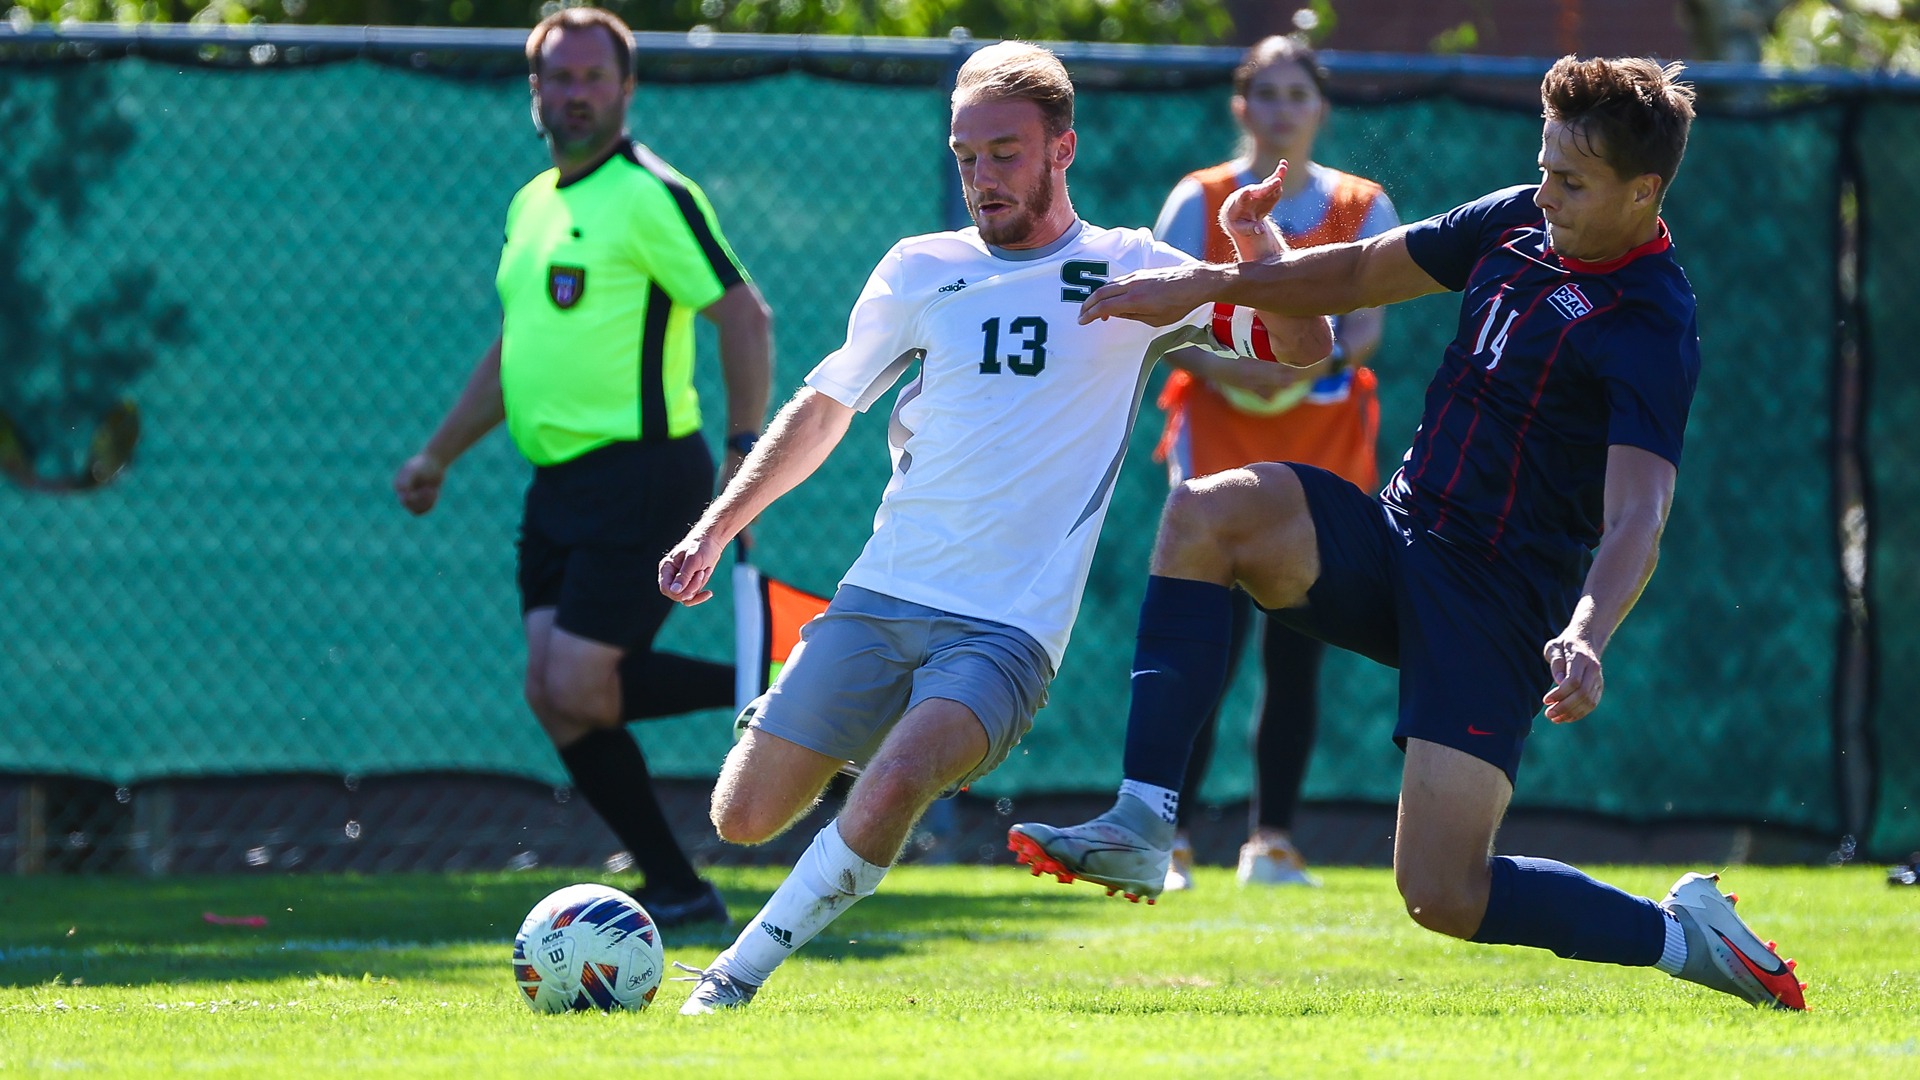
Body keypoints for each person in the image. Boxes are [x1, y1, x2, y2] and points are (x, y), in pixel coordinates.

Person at [1009, 56, 1811, 1010]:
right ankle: (1144, 822)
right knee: (1204, 513)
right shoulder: (1515, 219)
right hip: (1397, 535)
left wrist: (1588, 632)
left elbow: (1640, 511)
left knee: (1441, 893)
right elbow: (1355, 272)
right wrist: (1206, 283)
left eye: (1571, 180)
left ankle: (1685, 937)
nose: (1545, 192)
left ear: (1643, 191)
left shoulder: (1652, 319)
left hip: (1496, 608)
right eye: (1544, 166)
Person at [657, 41, 1332, 1013]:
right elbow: (824, 409)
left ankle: (731, 979)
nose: (982, 177)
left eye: (1004, 153)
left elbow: (1304, 347)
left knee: (896, 779)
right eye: (966, 156)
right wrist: (717, 526)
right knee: (744, 815)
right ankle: (822, 703)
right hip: (881, 594)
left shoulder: (1132, 266)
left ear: (1063, 148)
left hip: (1007, 631)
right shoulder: (919, 267)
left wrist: (1255, 248)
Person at [391, 7, 772, 930]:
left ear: (626, 89)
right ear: (536, 90)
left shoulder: (650, 194)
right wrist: (439, 453)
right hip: (557, 486)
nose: (576, 93)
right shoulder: (532, 203)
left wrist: (743, 453)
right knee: (554, 695)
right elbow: (517, 351)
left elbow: (744, 315)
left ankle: (784, 695)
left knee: (575, 685)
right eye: (558, 77)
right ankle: (677, 887)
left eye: (594, 77)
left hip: (645, 475)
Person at [1150, 36, 1400, 893]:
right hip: (1218, 441)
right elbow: (1166, 317)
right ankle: (1171, 840)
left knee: (1298, 648)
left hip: (1321, 446)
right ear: (1241, 106)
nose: (1283, 110)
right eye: (1267, 93)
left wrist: (1304, 364)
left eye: (1298, 94)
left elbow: (1368, 324)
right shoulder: (1199, 199)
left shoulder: (1362, 205)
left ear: (1320, 107)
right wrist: (1234, 370)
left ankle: (1274, 843)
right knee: (1205, 645)